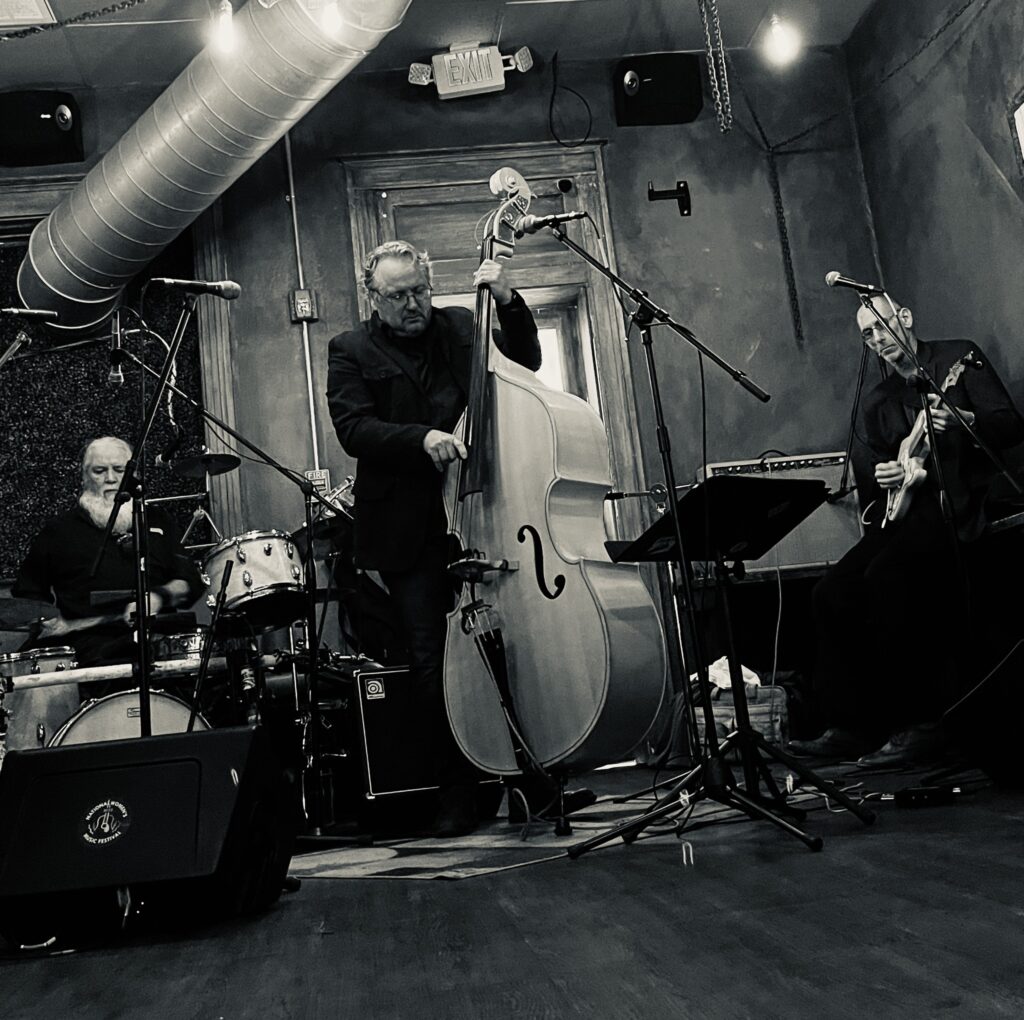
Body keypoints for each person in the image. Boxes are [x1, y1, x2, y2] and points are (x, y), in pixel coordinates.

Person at [326, 240, 594, 835]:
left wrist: (508, 299)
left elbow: (525, 365)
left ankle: (534, 783)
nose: (413, 304)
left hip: (485, 509)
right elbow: (354, 428)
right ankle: (458, 791)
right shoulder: (348, 349)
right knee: (432, 661)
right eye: (398, 296)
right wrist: (421, 438)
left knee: (509, 647)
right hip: (409, 526)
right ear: (375, 297)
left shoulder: (464, 325)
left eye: (419, 290)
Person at [790, 294, 1024, 766]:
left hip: (957, 505)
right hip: (909, 512)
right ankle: (851, 726)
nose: (878, 340)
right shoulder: (878, 401)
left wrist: (965, 420)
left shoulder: (958, 357)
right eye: (868, 335)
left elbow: (1011, 425)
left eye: (881, 326)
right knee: (830, 592)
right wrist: (886, 475)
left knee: (888, 578)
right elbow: (875, 472)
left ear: (906, 317)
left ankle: (922, 724)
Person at [13, 436, 203, 669]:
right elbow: (27, 592)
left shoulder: (157, 520)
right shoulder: (59, 531)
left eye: (120, 470)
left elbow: (190, 581)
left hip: (159, 641)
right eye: (99, 471)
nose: (111, 479)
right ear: (84, 478)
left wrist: (158, 596)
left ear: (134, 476)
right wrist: (45, 620)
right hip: (88, 648)